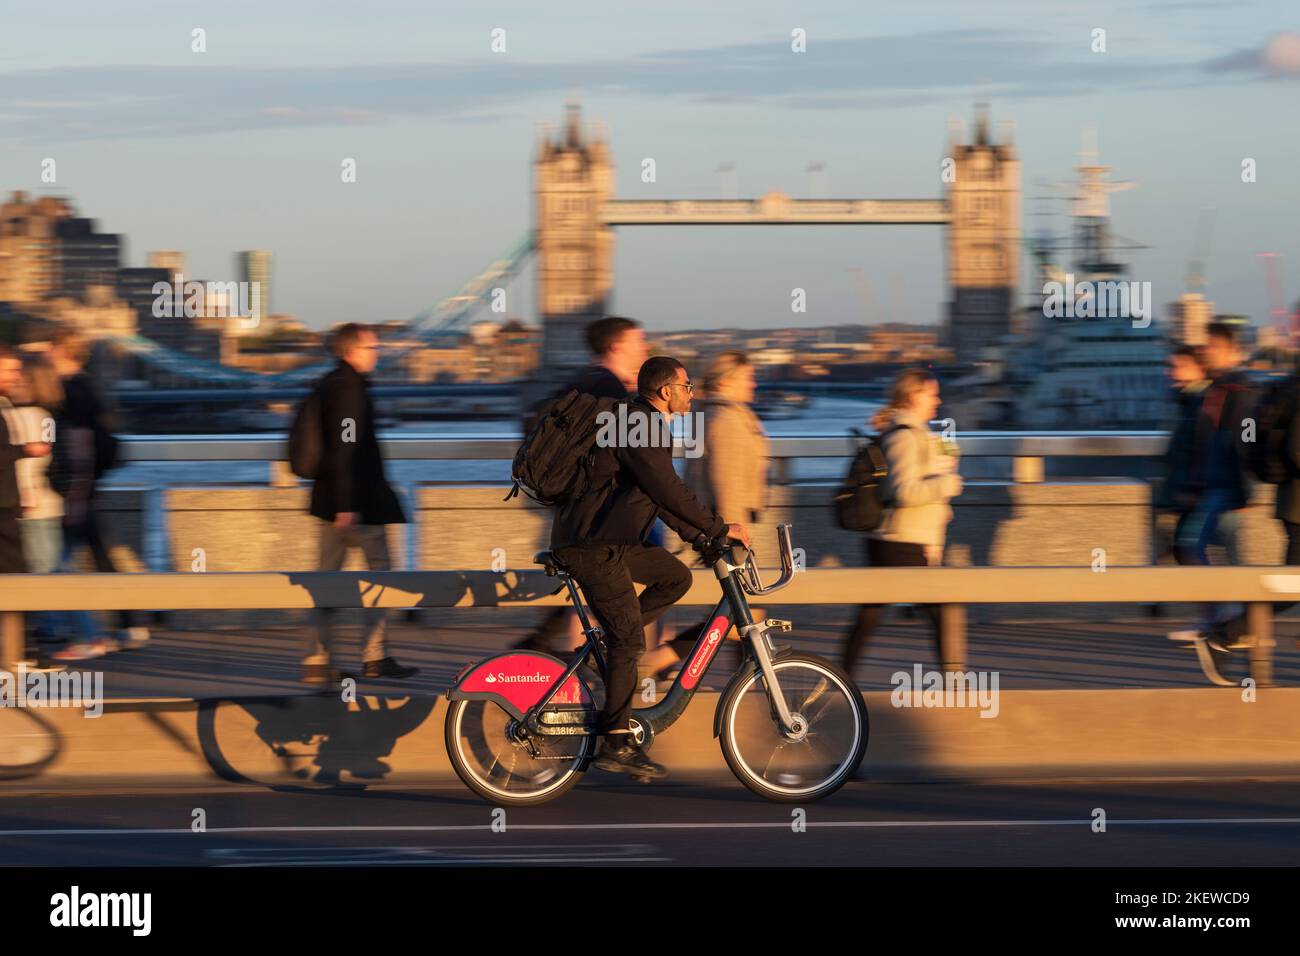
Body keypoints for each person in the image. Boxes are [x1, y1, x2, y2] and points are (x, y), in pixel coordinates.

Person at [551, 355, 749, 778]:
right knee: (629, 644)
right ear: (665, 392)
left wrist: (705, 539)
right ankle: (616, 743)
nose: (691, 394)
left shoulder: (640, 424)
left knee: (673, 577)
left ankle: (606, 644)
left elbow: (658, 497)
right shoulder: (642, 426)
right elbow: (668, 489)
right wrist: (718, 525)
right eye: (686, 387)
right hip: (592, 548)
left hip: (610, 543)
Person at [514, 315, 647, 655]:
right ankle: (580, 665)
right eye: (638, 342)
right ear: (616, 346)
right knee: (615, 587)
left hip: (573, 507)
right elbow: (628, 454)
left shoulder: (583, 379)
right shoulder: (609, 389)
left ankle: (552, 645)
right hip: (598, 512)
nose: (644, 349)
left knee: (595, 589)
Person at [305, 323, 417, 684]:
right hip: (356, 504)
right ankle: (375, 655)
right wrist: (347, 505)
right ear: (352, 351)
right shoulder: (351, 389)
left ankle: (318, 660)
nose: (377, 353)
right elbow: (345, 447)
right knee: (382, 575)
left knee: (324, 582)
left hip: (330, 499)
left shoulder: (329, 383)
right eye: (372, 348)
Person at [651, 350, 771, 680]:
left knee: (737, 619)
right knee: (743, 619)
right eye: (748, 377)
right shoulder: (728, 420)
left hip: (716, 530)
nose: (754, 383)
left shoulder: (710, 416)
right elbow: (725, 482)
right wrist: (733, 534)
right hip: (728, 533)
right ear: (726, 381)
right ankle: (662, 659)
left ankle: (743, 685)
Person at [841, 368, 963, 675]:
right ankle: (954, 679)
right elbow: (903, 491)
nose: (937, 400)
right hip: (902, 541)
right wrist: (947, 483)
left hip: (900, 539)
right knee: (939, 607)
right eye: (932, 394)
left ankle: (842, 676)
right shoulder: (905, 437)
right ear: (913, 396)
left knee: (871, 613)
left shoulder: (914, 434)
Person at [1165, 322, 1256, 684]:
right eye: (1207, 346)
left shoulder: (1241, 390)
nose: (1208, 351)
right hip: (1208, 487)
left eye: (1215, 346)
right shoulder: (1213, 391)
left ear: (1233, 351)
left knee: (1201, 549)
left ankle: (1228, 626)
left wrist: (1244, 489)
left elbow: (1246, 438)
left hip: (1228, 490)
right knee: (1214, 554)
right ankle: (1224, 623)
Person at [48, 328, 148, 651]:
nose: (47, 356)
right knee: (96, 557)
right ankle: (126, 625)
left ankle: (91, 633)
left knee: (64, 562)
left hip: (77, 490)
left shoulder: (71, 391)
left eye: (51, 350)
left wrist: (77, 493)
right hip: (88, 487)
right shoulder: (90, 387)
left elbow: (80, 445)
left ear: (63, 352)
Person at [11, 354, 103, 661]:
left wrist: (27, 491)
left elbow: (35, 460)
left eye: (19, 375)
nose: (15, 380)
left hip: (35, 506)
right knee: (51, 568)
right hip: (53, 503)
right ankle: (55, 627)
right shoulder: (51, 415)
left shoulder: (29, 415)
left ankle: (89, 634)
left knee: (51, 571)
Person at [0, 346, 49, 576]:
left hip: (10, 504)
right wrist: (26, 450)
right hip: (8, 506)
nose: (16, 377)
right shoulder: (41, 415)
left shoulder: (7, 406)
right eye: (11, 370)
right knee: (23, 573)